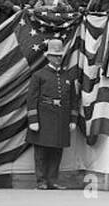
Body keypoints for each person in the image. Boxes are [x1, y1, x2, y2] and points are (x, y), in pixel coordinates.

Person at [25, 39, 77, 190]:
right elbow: (31, 99)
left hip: (61, 119)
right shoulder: (39, 75)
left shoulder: (67, 76)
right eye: (55, 56)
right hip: (43, 118)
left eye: (60, 55)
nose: (58, 58)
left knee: (56, 151)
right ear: (48, 56)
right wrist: (33, 120)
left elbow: (73, 100)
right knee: (41, 152)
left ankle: (53, 180)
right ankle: (41, 181)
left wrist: (73, 119)